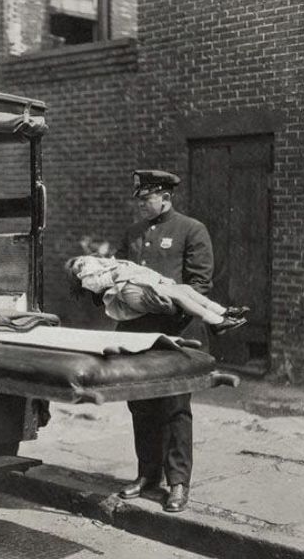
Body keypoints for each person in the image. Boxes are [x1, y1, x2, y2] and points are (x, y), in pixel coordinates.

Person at [114, 169, 215, 513]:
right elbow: (116, 275)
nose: (142, 206)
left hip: (176, 336)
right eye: (139, 200)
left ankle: (178, 483)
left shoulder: (191, 230)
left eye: (147, 199)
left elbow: (200, 286)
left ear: (166, 198)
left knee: (174, 407)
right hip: (136, 336)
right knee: (140, 404)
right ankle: (147, 475)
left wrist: (170, 304)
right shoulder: (132, 233)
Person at [65, 255, 249, 334]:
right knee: (178, 295)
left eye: (82, 260)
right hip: (129, 290)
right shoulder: (87, 277)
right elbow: (100, 286)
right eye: (79, 265)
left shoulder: (101, 264)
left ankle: (222, 312)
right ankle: (215, 322)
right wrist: (114, 271)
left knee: (184, 289)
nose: (83, 262)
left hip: (136, 284)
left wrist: (107, 263)